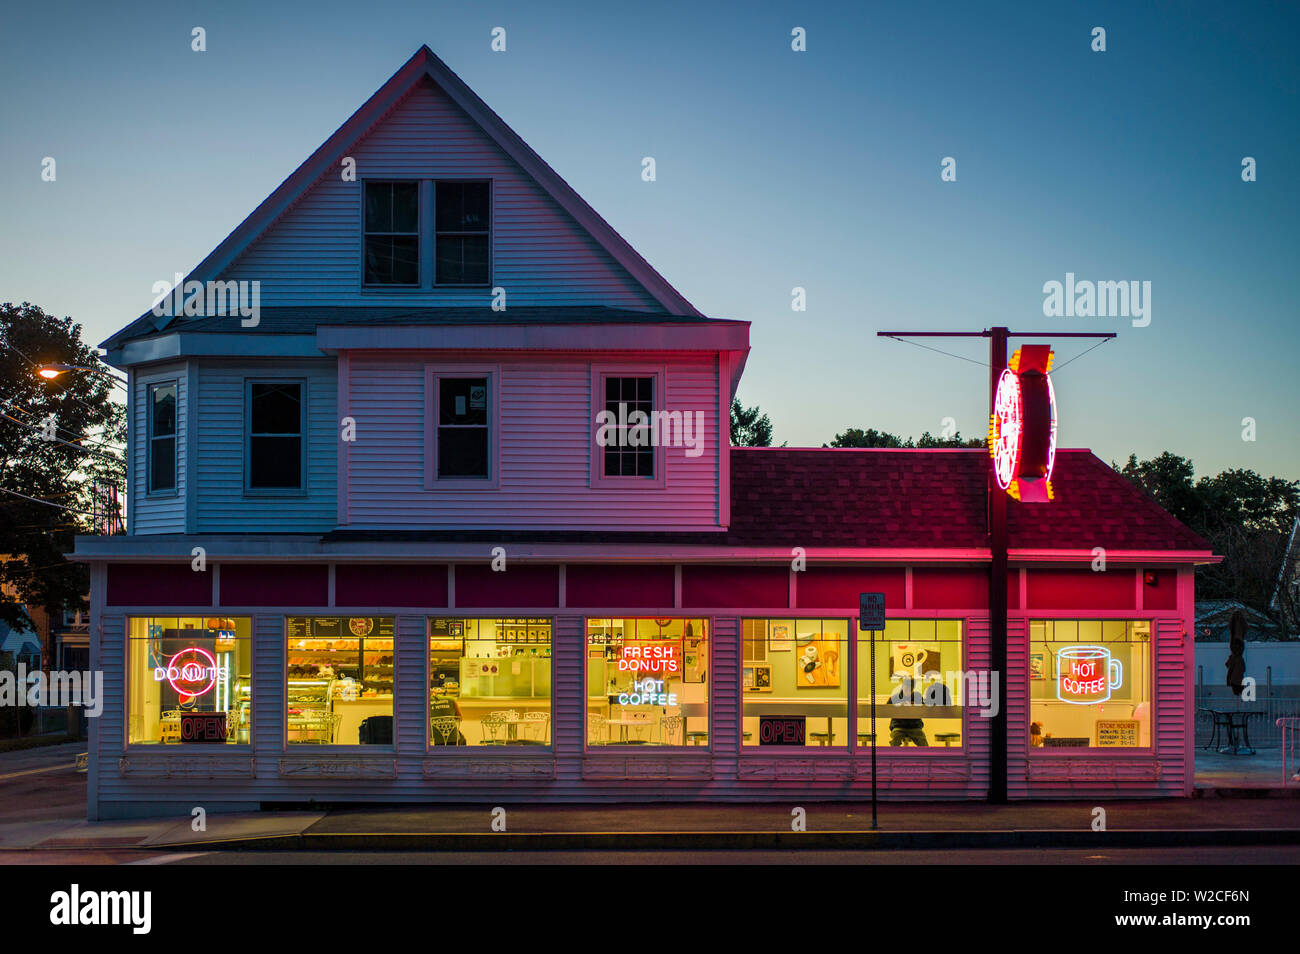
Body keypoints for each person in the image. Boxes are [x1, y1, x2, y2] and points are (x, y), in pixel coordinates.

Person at [889, 672, 951, 746]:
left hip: (915, 727)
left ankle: (926, 757)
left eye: (910, 687)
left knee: (923, 744)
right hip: (898, 727)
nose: (908, 689)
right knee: (895, 741)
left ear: (913, 688)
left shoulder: (917, 697)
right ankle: (894, 756)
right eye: (906, 686)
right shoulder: (895, 698)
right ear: (902, 686)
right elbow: (886, 710)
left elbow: (925, 708)